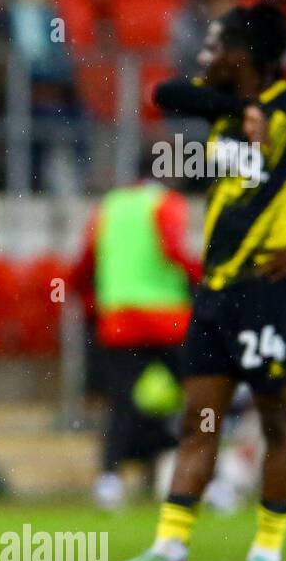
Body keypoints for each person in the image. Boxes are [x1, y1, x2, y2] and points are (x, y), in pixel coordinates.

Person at [101, 1, 286, 561]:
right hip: (214, 294)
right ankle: (170, 550)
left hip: (267, 293)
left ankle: (267, 551)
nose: (204, 58)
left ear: (243, 56)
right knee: (197, 422)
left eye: (214, 47)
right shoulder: (227, 114)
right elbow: (163, 94)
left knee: (278, 423)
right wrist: (242, 106)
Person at [70, 170, 201, 510]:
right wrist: (205, 277)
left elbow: (84, 261)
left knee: (122, 403)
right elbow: (172, 249)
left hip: (119, 321)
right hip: (167, 320)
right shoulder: (167, 203)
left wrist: (88, 301)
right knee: (200, 397)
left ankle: (109, 480)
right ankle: (207, 478)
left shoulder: (109, 206)